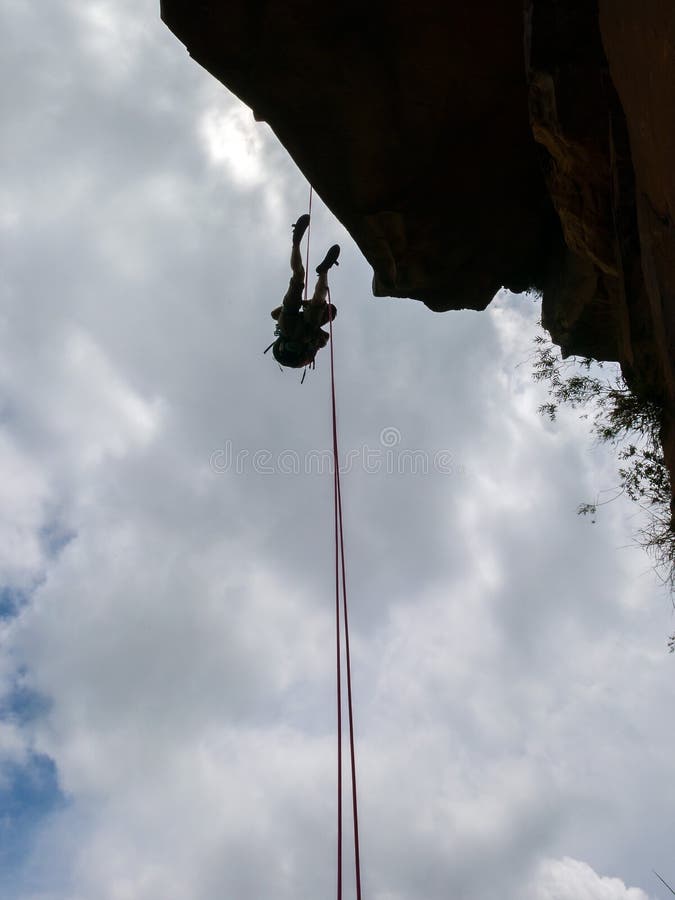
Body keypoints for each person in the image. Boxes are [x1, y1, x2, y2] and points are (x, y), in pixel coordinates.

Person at [267, 214, 340, 369]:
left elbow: (325, 338)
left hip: (299, 329)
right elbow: (274, 314)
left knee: (314, 294)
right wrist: (298, 305)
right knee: (299, 277)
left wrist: (302, 303)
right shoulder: (313, 330)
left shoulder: (315, 334)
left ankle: (324, 270)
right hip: (289, 325)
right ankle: (297, 244)